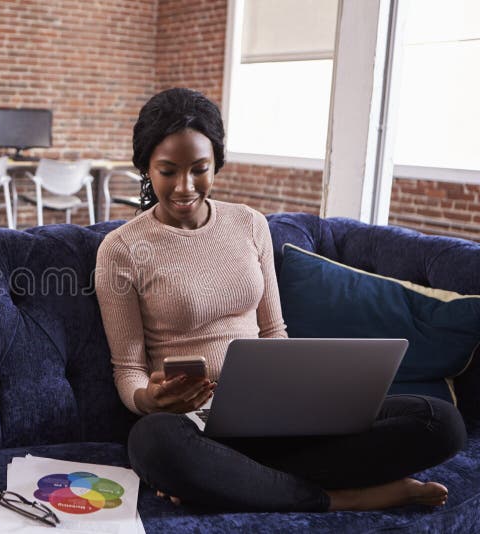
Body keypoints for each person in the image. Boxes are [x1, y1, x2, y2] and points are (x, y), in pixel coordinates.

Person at [94, 87, 467, 512]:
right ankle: (339, 498)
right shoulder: (121, 249)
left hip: (272, 417)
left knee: (441, 422)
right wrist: (149, 400)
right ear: (145, 168)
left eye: (200, 169)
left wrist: (294, 403)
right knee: (153, 444)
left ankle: (242, 482)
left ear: (217, 163)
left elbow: (274, 331)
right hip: (193, 426)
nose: (185, 186)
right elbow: (128, 370)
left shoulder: (250, 224)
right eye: (167, 171)